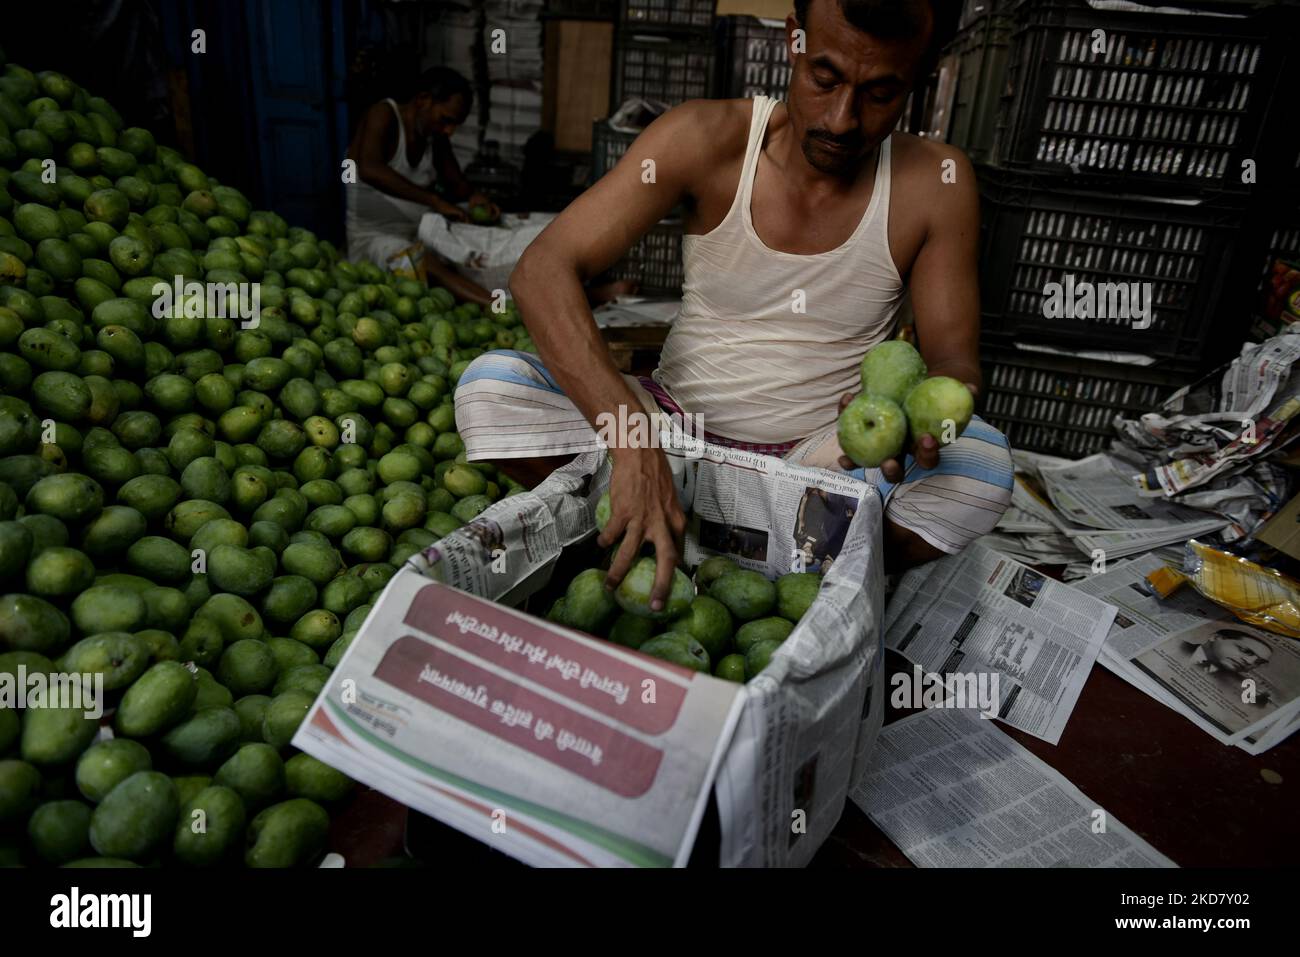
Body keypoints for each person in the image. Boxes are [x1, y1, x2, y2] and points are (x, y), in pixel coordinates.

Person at [454, 0, 1014, 610]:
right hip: (671, 430)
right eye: (824, 79)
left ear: (921, 74)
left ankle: (698, 547)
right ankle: (755, 544)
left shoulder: (937, 182)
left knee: (980, 470)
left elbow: (956, 364)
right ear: (793, 40)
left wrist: (916, 418)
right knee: (491, 392)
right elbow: (543, 271)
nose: (842, 120)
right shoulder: (704, 137)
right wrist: (633, 440)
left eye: (882, 92)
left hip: (817, 462)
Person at [344, 65, 500, 306]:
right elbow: (369, 168)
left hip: (418, 234)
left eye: (455, 125)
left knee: (472, 254)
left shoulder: (434, 136)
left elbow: (457, 184)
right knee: (426, 263)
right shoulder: (384, 114)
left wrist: (475, 197)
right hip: (372, 239)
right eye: (446, 120)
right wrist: (435, 201)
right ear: (423, 100)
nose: (449, 131)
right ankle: (497, 306)